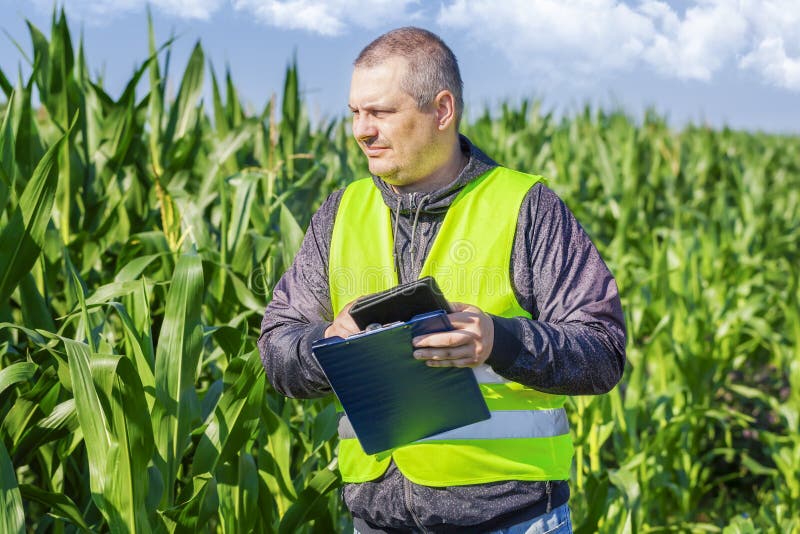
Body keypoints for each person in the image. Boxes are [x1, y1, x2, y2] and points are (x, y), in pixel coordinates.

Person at [259, 27, 626, 533]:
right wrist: (326, 343)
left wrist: (500, 339)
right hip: (376, 522)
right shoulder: (340, 213)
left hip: (510, 521)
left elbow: (603, 351)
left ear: (442, 110)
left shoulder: (525, 207)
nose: (361, 131)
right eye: (355, 113)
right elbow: (276, 347)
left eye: (381, 112)